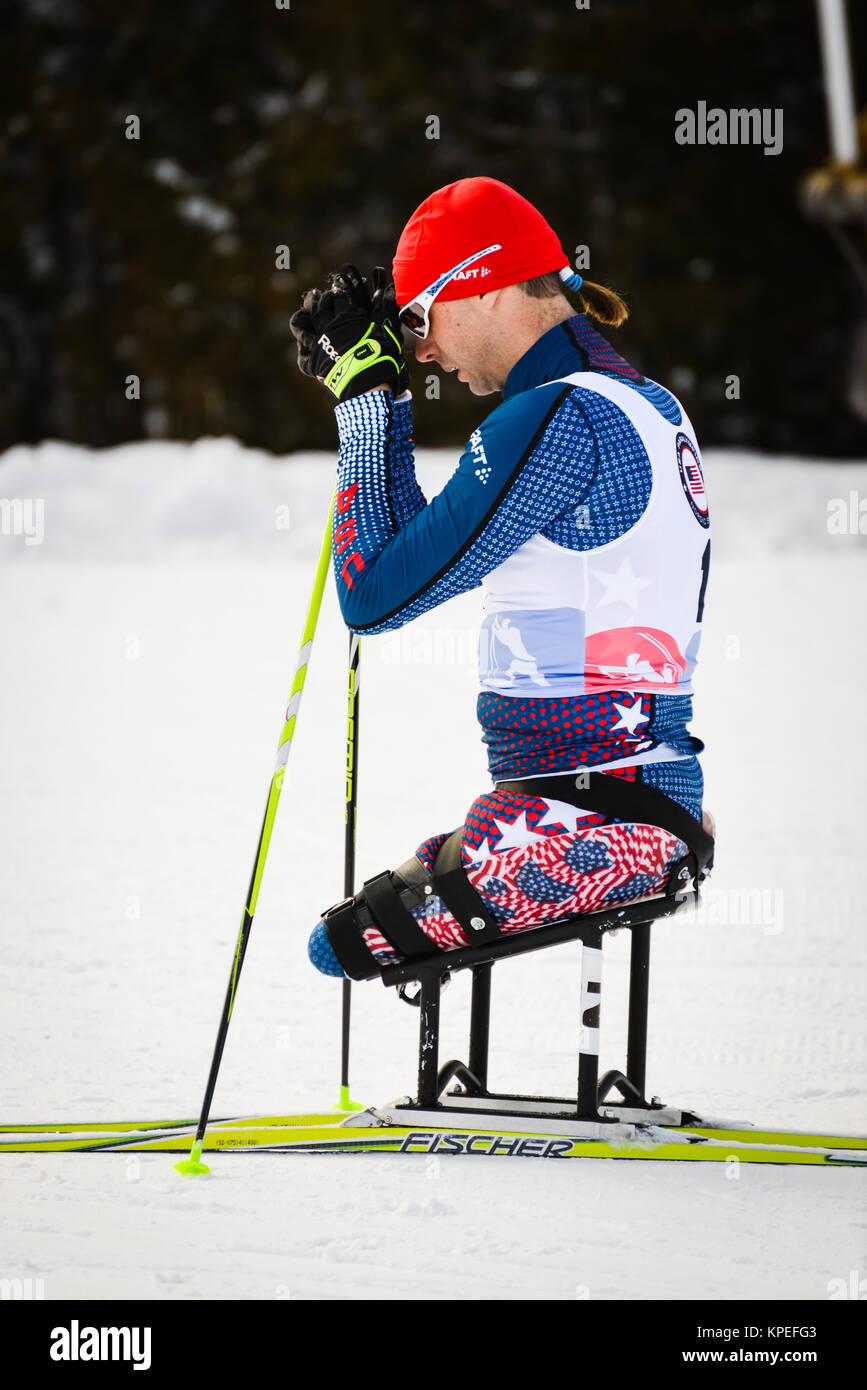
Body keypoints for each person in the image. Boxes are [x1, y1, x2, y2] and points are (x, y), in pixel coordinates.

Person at [289, 176, 712, 979]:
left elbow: (372, 595)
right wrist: (378, 397)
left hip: (587, 819)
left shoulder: (555, 417)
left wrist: (366, 402)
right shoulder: (643, 401)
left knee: (338, 943)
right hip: (613, 800)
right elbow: (409, 550)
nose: (420, 349)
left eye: (420, 317)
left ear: (479, 288)